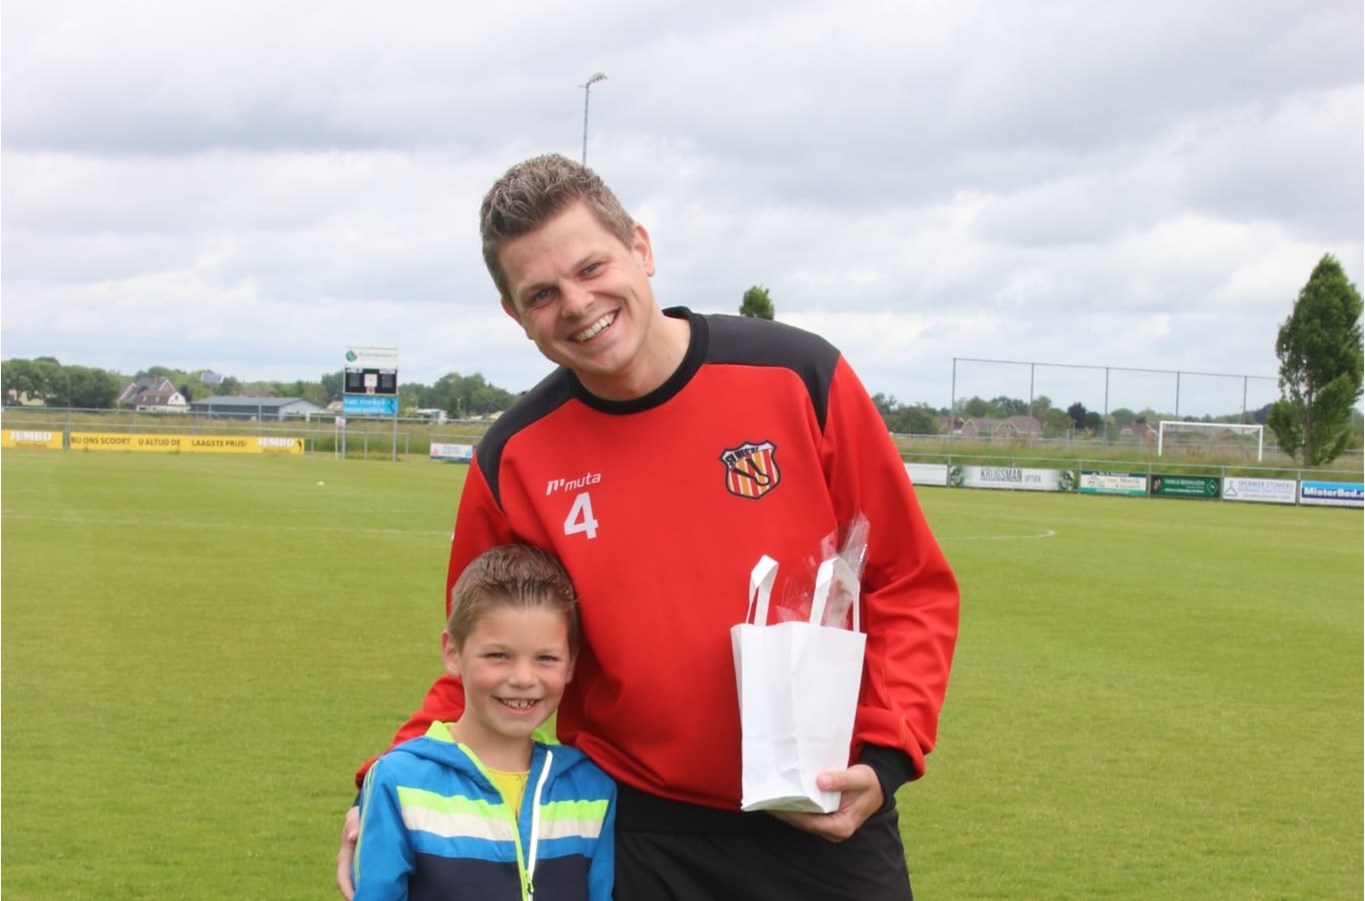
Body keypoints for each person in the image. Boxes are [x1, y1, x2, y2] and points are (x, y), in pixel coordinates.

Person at [338, 152, 959, 900]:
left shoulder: (798, 376)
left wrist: (888, 749)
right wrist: (385, 783)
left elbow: (907, 581)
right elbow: (482, 651)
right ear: (514, 314)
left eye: (591, 266)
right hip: (634, 835)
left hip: (825, 814)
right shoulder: (516, 456)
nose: (576, 303)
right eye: (541, 293)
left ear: (641, 246)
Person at [350, 544, 615, 901]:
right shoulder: (399, 782)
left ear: (570, 665)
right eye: (498, 656)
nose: (523, 678)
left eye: (546, 658)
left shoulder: (590, 788)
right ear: (453, 653)